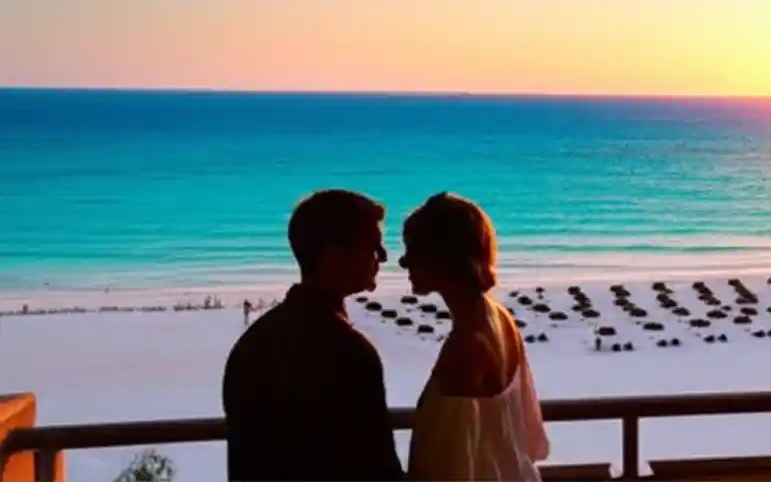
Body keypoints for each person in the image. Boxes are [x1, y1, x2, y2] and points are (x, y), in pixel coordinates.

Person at [222, 190, 403, 481]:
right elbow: (377, 467)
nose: (382, 256)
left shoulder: (253, 344)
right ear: (334, 256)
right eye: (372, 245)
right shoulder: (348, 351)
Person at [400, 192, 550, 481]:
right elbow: (527, 434)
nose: (404, 262)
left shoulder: (466, 346)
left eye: (412, 251)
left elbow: (447, 464)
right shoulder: (499, 317)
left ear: (442, 258)